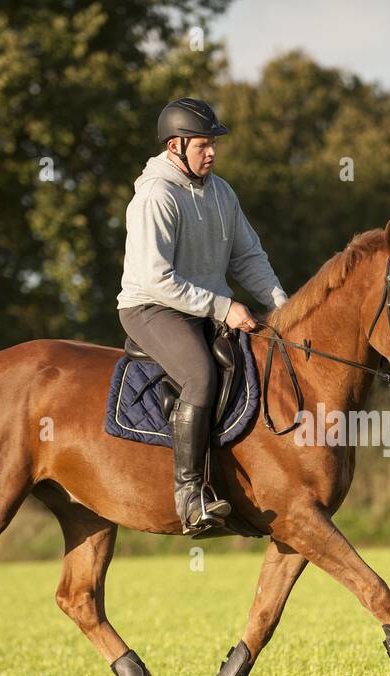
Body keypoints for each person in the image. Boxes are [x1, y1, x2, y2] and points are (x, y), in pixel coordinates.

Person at [117, 97, 288, 532]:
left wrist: (284, 309)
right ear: (175, 146)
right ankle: (190, 496)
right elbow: (157, 279)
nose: (211, 152)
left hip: (203, 309)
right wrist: (224, 306)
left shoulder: (221, 192)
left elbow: (248, 256)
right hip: (151, 307)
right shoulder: (156, 195)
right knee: (200, 375)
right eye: (201, 145)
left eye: (213, 144)